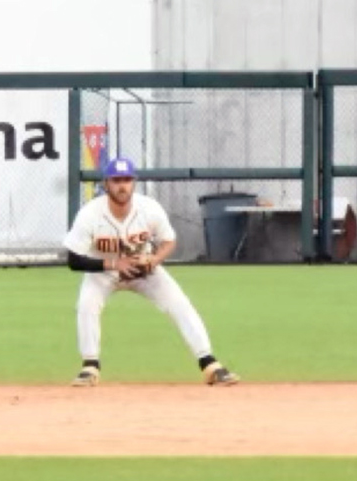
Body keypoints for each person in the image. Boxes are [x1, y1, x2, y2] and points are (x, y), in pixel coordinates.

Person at [62, 155, 239, 388]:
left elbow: (168, 240)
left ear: (134, 183)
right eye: (116, 180)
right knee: (86, 304)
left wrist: (155, 259)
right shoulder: (90, 214)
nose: (122, 185)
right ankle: (90, 366)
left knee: (179, 303)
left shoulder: (149, 209)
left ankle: (209, 364)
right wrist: (114, 264)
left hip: (143, 269)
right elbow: (73, 259)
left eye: (126, 179)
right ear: (106, 184)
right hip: (103, 270)